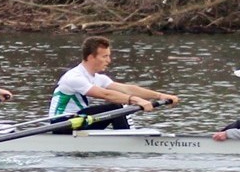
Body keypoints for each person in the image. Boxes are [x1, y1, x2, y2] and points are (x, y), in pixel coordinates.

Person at [48, 36, 177, 129]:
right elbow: (106, 95)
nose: (109, 61)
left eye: (109, 56)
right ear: (91, 57)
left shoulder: (98, 78)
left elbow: (128, 89)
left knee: (119, 106)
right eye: (105, 56)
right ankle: (128, 140)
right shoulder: (74, 77)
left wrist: (160, 96)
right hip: (61, 124)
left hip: (79, 120)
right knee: (117, 106)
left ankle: (126, 137)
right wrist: (137, 101)